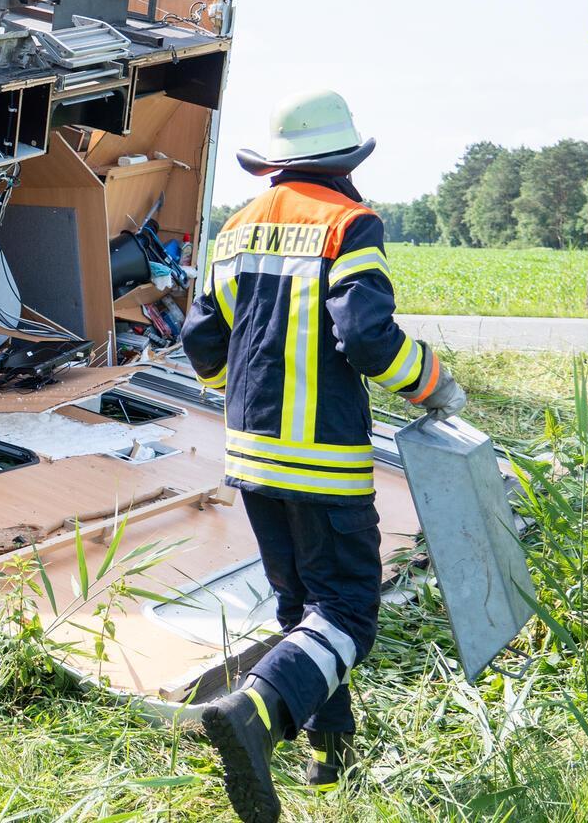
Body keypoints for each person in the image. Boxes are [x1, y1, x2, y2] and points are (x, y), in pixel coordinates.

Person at [181, 89, 465, 823]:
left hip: (249, 453)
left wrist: (234, 393)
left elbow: (201, 341)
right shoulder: (349, 222)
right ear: (344, 161)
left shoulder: (236, 226)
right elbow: (367, 338)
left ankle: (328, 757)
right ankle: (255, 713)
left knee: (302, 610)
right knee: (346, 611)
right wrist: (433, 384)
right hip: (322, 460)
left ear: (273, 166)